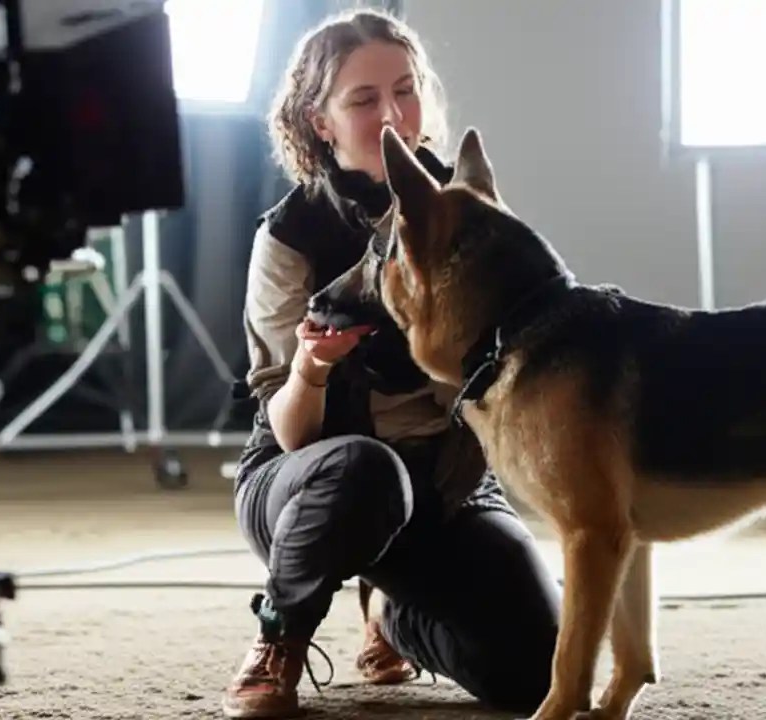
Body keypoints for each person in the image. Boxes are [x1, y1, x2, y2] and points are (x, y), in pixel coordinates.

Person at [222, 8, 563, 720]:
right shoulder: (287, 237)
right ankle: (280, 638)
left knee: (539, 674)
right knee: (364, 470)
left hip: (445, 484)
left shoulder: (468, 208)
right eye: (364, 99)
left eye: (405, 91)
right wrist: (311, 368)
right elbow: (291, 434)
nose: (392, 116)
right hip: (311, 482)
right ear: (319, 122)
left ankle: (393, 615)